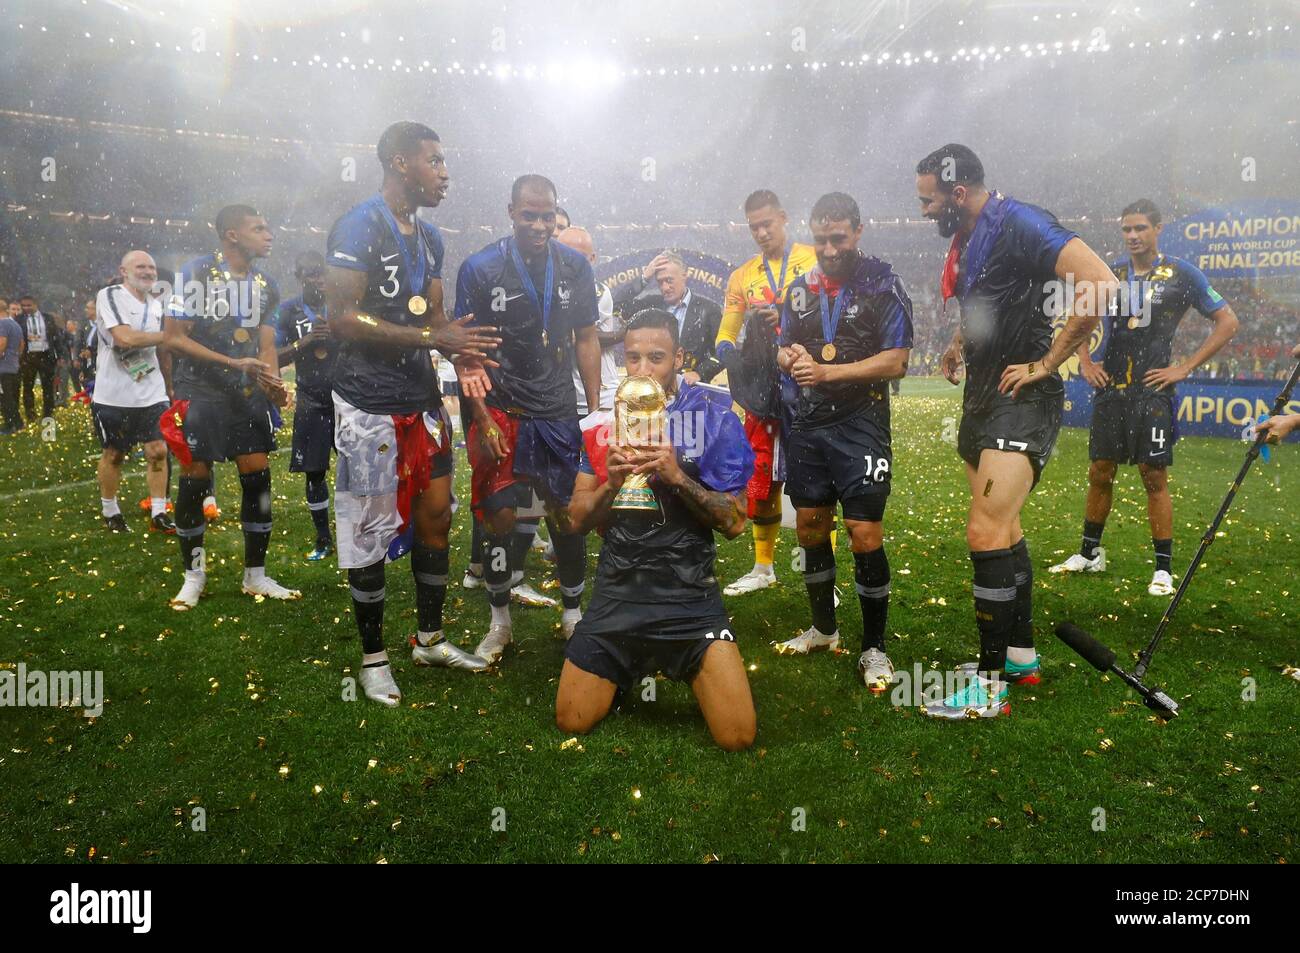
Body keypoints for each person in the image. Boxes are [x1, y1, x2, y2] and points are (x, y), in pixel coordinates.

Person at [916, 143, 1118, 720]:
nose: (925, 211)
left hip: (1023, 398)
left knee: (984, 530)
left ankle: (987, 685)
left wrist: (1048, 363)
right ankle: (1020, 657)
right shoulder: (966, 236)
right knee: (1003, 528)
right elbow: (980, 307)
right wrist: (957, 345)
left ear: (958, 192)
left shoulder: (1020, 221)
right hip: (985, 395)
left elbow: (1100, 283)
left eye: (929, 200)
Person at [326, 120, 502, 705]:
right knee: (370, 531)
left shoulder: (430, 238)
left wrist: (459, 358)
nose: (445, 172)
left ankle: (429, 637)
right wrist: (432, 337)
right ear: (401, 162)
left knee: (434, 518)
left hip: (422, 400)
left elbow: (438, 322)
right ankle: (373, 659)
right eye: (435, 159)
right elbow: (344, 319)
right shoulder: (357, 225)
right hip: (367, 402)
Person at [557, 308, 756, 750]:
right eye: (632, 358)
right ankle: (629, 662)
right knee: (572, 719)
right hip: (619, 591)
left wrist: (678, 477)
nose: (642, 369)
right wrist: (610, 482)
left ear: (679, 357)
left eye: (656, 357)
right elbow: (575, 519)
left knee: (738, 736)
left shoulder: (711, 417)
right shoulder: (603, 425)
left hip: (689, 593)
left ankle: (673, 657)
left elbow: (736, 521)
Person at [1050, 199, 1239, 596]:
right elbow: (1077, 316)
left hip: (1153, 392)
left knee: (1153, 477)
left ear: (1157, 229)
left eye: (1140, 228)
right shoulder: (1110, 274)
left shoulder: (1181, 274)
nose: (1133, 236)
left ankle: (1163, 569)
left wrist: (1184, 368)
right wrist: (1084, 361)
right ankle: (1090, 553)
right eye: (1127, 229)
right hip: (1110, 392)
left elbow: (1228, 321)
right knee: (1100, 472)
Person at [457, 173, 602, 664]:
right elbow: (466, 352)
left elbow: (587, 336)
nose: (539, 225)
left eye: (547, 216)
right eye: (529, 215)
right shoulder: (480, 267)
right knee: (500, 517)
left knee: (567, 514)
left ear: (556, 215)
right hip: (500, 407)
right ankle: (499, 622)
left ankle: (572, 613)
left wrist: (595, 409)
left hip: (558, 408)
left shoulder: (575, 266)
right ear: (511, 212)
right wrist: (481, 416)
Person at [773, 193, 914, 695]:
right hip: (808, 424)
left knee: (864, 532)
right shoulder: (798, 290)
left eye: (838, 238)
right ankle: (823, 629)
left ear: (857, 232)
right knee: (810, 527)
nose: (829, 249)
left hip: (862, 423)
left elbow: (897, 360)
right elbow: (784, 345)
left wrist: (829, 370)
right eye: (820, 239)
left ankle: (874, 646)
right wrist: (789, 357)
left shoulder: (882, 283)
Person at [163, 204, 299, 609]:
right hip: (200, 389)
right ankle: (194, 576)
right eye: (259, 228)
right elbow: (173, 337)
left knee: (257, 480)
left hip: (247, 394)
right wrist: (232, 363)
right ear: (232, 235)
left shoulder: (266, 283)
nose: (269, 234)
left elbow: (268, 345)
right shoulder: (196, 273)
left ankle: (255, 576)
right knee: (194, 479)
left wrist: (273, 384)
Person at [716, 189, 818, 596]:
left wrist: (791, 319)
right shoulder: (742, 276)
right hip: (764, 392)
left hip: (809, 389)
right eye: (753, 227)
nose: (760, 232)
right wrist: (734, 356)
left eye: (767, 224)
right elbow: (725, 332)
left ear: (784, 217)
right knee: (762, 479)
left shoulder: (813, 259)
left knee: (814, 484)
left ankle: (819, 575)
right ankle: (763, 567)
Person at [92, 251, 174, 533]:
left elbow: (163, 349)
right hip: (113, 394)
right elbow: (123, 338)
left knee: (158, 451)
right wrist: (171, 335)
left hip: (151, 391)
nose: (149, 272)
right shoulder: (111, 295)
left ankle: (159, 511)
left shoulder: (157, 305)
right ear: (123, 270)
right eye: (141, 266)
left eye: (152, 267)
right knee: (115, 454)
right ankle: (110, 510)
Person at [276, 251, 338, 560]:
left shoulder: (342, 306)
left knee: (359, 468)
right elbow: (272, 357)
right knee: (315, 473)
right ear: (300, 277)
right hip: (312, 401)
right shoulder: (287, 311)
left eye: (323, 274)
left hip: (346, 399)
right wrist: (306, 341)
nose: (319, 281)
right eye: (312, 275)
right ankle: (324, 538)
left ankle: (362, 532)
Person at [613, 250, 723, 383]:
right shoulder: (651, 304)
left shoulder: (709, 310)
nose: (665, 287)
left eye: (669, 280)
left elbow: (723, 350)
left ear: (684, 275)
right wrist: (644, 278)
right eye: (660, 282)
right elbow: (617, 305)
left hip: (691, 391)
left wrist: (700, 373)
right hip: (652, 386)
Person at [17, 294, 63, 424]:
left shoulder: (47, 318)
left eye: (29, 305)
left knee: (48, 387)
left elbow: (56, 337)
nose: (26, 308)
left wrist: (60, 355)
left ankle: (48, 413)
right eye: (23, 306)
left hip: (45, 355)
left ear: (36, 304)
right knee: (27, 386)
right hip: (28, 356)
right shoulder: (19, 319)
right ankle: (30, 414)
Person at [0, 298, 23, 434]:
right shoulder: (15, 324)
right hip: (13, 365)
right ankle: (18, 423)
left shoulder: (2, 324)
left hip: (3, 367)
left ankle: (10, 425)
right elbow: (22, 344)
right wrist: (15, 357)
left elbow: (2, 343)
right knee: (11, 397)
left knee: (5, 397)